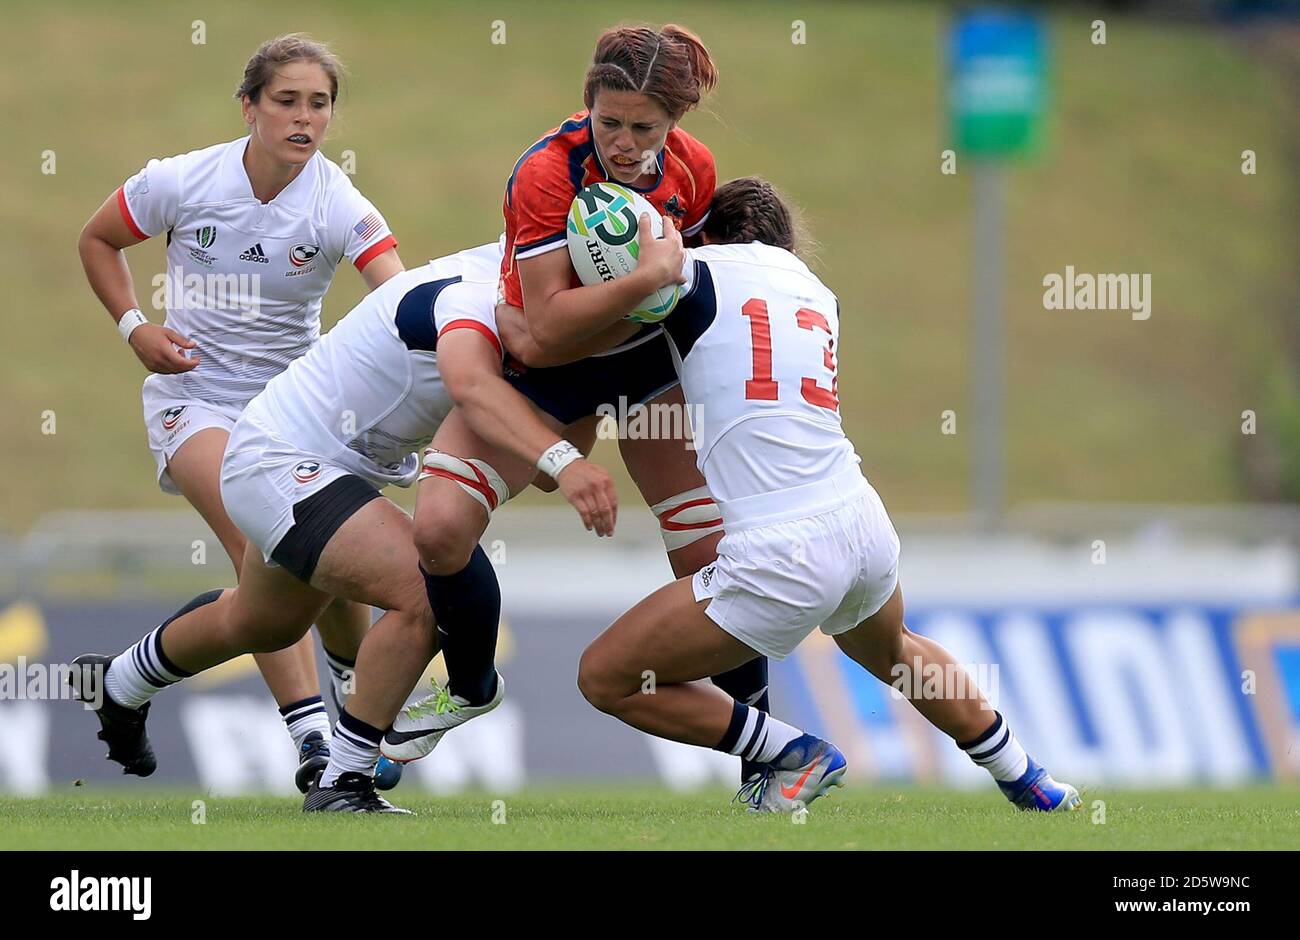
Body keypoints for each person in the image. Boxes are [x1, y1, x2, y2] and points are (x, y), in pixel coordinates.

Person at [574, 178, 1082, 813]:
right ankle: (1029, 778)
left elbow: (594, 325)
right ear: (786, 240)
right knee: (898, 653)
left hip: (781, 549)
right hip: (861, 523)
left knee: (608, 677)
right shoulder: (818, 293)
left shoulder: (689, 273)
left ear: (707, 233)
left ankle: (793, 753)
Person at [70, 241, 622, 813]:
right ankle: (346, 781)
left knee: (264, 622)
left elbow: (540, 461)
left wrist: (582, 394)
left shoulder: (531, 282)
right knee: (427, 592)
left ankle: (116, 684)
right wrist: (564, 455)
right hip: (285, 461)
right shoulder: (472, 302)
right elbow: (477, 395)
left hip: (305, 456)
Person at [394, 24, 774, 784]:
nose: (627, 145)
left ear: (675, 125)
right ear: (586, 107)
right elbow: (543, 332)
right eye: (610, 124)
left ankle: (763, 762)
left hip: (644, 370)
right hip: (547, 373)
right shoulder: (545, 173)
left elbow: (693, 295)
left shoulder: (693, 169)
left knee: (712, 558)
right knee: (438, 526)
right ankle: (471, 687)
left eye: (645, 128)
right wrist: (642, 282)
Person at [77, 35, 406, 792]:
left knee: (321, 573)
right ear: (250, 105)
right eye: (286, 101)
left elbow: (395, 297)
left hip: (295, 413)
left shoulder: (338, 203)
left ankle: (128, 684)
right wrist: (137, 329)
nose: (304, 118)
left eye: (319, 104)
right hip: (194, 398)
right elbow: (98, 239)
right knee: (269, 545)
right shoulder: (182, 180)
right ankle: (322, 741)